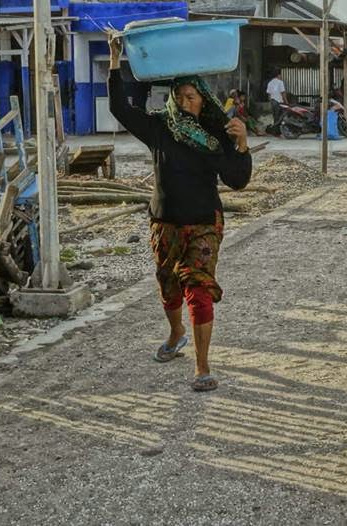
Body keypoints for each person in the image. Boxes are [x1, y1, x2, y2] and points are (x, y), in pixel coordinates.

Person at [107, 34, 251, 393]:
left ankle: (202, 368)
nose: (186, 102)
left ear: (204, 101)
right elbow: (122, 109)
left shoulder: (216, 135)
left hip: (204, 222)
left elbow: (238, 181)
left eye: (192, 97)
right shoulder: (159, 127)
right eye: (180, 96)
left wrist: (243, 144)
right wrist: (118, 62)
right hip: (164, 221)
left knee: (198, 289)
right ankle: (176, 333)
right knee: (168, 286)